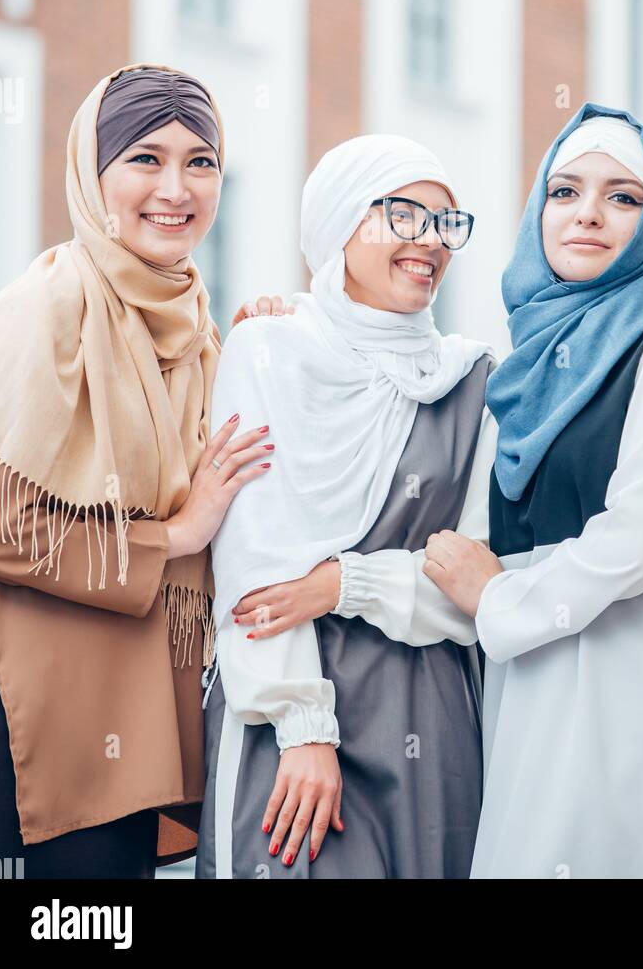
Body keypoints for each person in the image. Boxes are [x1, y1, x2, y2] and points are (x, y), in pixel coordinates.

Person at [424, 103, 643, 879]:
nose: (587, 214)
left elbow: (638, 539)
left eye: (623, 197)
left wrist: (497, 601)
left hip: (640, 694)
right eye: (564, 191)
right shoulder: (518, 370)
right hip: (533, 690)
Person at [0, 64, 271, 877]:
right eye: (145, 158)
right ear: (92, 174)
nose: (175, 187)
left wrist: (274, 347)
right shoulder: (50, 303)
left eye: (201, 161)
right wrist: (173, 535)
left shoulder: (203, 328)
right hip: (49, 724)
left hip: (145, 720)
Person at [196, 134, 497, 879]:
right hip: (286, 710)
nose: (430, 241)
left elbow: (479, 586)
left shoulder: (477, 380)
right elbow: (254, 570)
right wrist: (303, 728)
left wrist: (342, 583)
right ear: (339, 223)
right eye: (402, 215)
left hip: (430, 714)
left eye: (446, 223)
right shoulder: (268, 348)